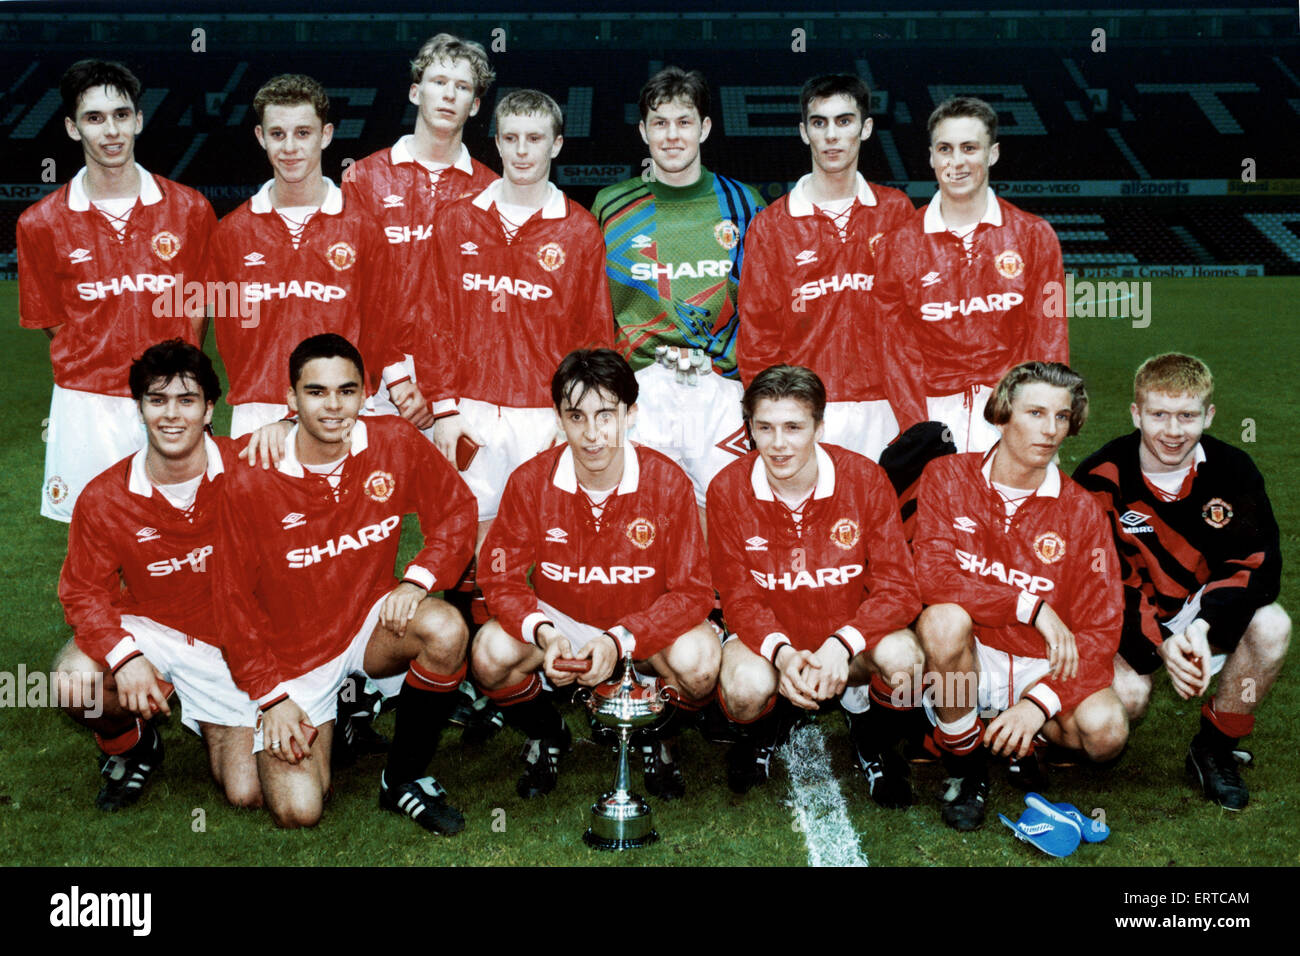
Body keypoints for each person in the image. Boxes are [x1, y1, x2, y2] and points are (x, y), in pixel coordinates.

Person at [214, 334, 478, 832]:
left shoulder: (393, 442)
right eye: (316, 392)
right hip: (294, 657)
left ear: (364, 393)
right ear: (290, 400)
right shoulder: (251, 479)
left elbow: (457, 511)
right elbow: (232, 603)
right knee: (298, 810)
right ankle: (343, 706)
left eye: (347, 391)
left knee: (445, 630)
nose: (334, 406)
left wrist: (417, 580)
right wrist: (272, 698)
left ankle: (402, 779)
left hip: (368, 623)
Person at [472, 349, 718, 799]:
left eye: (606, 415)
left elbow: (693, 593)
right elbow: (499, 576)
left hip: (641, 628)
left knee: (701, 663)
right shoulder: (529, 482)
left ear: (632, 414)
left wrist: (620, 638)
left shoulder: (667, 483)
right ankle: (549, 732)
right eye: (577, 416)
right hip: (561, 621)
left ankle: (655, 738)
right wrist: (543, 632)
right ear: (558, 418)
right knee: (489, 653)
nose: (591, 434)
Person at [913, 361, 1128, 831]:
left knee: (1108, 732)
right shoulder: (947, 477)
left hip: (1040, 663)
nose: (1050, 430)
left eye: (1062, 417)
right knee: (942, 621)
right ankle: (967, 767)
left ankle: (1025, 741)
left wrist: (1039, 703)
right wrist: (1031, 606)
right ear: (1002, 414)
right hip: (974, 652)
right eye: (1035, 413)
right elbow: (932, 577)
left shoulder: (1083, 510)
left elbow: (1102, 628)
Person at [1074, 353, 1289, 810]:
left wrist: (1203, 626)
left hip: (1200, 611)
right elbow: (1101, 581)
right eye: (1159, 415)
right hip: (1131, 613)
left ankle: (1214, 747)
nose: (1173, 431)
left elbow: (1258, 562)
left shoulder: (1234, 470)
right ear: (1136, 413)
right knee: (1128, 700)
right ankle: (1054, 739)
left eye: (1188, 416)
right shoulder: (1100, 476)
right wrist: (1158, 645)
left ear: (1208, 415)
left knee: (1272, 626)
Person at [52, 340, 258, 812]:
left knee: (248, 793)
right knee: (73, 680)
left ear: (209, 409)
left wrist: (288, 428)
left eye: (186, 400)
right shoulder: (105, 496)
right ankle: (129, 745)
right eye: (156, 399)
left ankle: (327, 713)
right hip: (154, 633)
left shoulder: (252, 467)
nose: (171, 415)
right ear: (140, 408)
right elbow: (84, 594)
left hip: (235, 643)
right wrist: (124, 657)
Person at [706, 365, 923, 804]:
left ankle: (874, 738)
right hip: (774, 644)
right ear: (749, 427)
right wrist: (783, 655)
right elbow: (738, 597)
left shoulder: (863, 479)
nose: (778, 443)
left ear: (820, 427)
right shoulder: (727, 489)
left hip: (849, 644)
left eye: (793, 427)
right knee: (745, 688)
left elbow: (900, 589)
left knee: (907, 661)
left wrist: (841, 645)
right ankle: (768, 723)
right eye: (764, 428)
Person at [18, 59, 216, 521]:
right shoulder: (41, 223)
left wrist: (177, 375)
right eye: (94, 118)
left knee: (178, 533)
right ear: (72, 128)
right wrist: (99, 352)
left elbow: (202, 300)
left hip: (169, 397)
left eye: (121, 115)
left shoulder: (189, 209)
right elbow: (48, 317)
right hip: (85, 403)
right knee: (95, 540)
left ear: (139, 120)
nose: (111, 131)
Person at [428, 89, 612, 556]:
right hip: (470, 408)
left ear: (556, 145)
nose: (522, 150)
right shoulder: (457, 221)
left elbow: (593, 338)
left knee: (550, 543)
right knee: (467, 542)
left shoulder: (578, 229)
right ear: (497, 142)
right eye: (511, 138)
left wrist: (571, 414)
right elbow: (434, 319)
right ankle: (471, 630)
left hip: (542, 413)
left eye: (535, 138)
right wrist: (446, 412)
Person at [593, 67, 766, 516]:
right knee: (644, 518)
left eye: (684, 122)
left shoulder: (744, 203)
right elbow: (593, 309)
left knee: (728, 517)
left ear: (705, 128)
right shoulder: (612, 206)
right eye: (660, 123)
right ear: (643, 131)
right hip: (641, 387)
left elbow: (766, 305)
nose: (672, 136)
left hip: (721, 387)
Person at [874, 96, 1066, 454]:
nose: (957, 162)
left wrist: (1041, 417)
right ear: (931, 156)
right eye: (945, 149)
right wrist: (919, 430)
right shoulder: (898, 245)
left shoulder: (1034, 235)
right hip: (933, 412)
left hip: (1013, 412)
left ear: (992, 153)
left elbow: (1049, 338)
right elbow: (896, 352)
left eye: (969, 148)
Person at [738, 74, 915, 462]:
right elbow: (757, 337)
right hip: (805, 411)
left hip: (886, 408)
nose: (832, 135)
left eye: (844, 121)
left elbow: (915, 319)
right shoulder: (773, 225)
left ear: (865, 128)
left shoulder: (896, 212)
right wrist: (772, 420)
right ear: (804, 133)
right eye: (820, 123)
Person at [206, 74, 386, 438]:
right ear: (260, 137)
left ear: (327, 135)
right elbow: (222, 330)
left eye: (303, 133)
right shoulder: (231, 232)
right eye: (278, 134)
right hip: (257, 411)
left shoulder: (363, 228)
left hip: (337, 408)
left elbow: (379, 328)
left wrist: (352, 392)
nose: (290, 147)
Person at [344, 32, 498, 432]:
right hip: (377, 380)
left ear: (476, 105)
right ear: (416, 92)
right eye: (438, 83)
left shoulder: (491, 191)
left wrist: (441, 384)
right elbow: (354, 290)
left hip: (463, 383)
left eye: (462, 87)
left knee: (457, 497)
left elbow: (488, 304)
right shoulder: (364, 177)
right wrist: (397, 376)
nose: (449, 95)